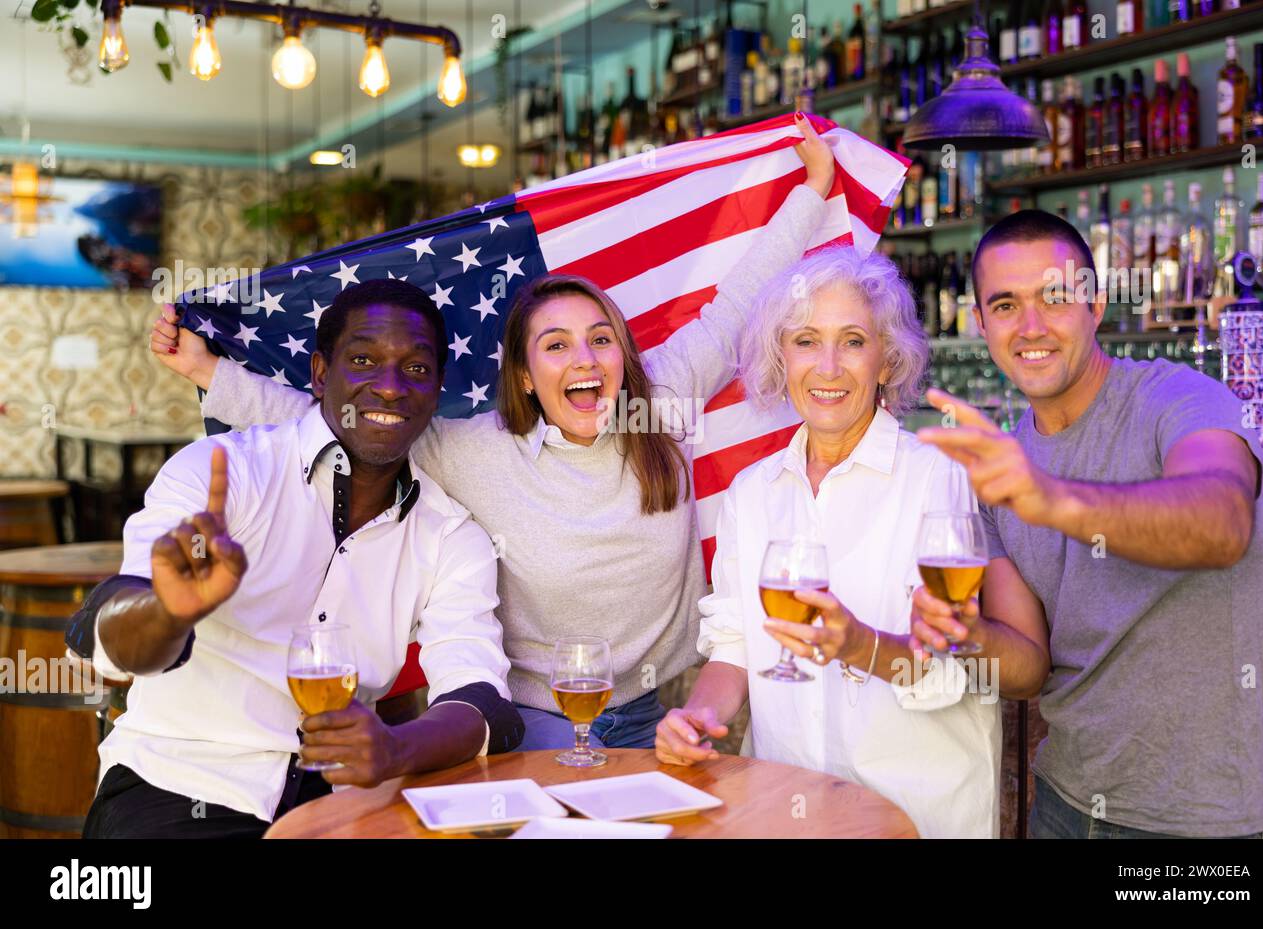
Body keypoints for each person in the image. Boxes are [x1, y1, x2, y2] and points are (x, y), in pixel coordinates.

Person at [147, 115, 837, 751]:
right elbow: (344, 420)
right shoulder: (479, 447)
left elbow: (738, 301)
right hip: (528, 722)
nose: (585, 358)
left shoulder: (659, 397)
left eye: (601, 338)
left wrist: (813, 190)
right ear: (528, 377)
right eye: (557, 345)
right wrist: (209, 369)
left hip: (650, 714)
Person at [69, 279, 521, 838]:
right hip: (175, 787)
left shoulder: (452, 533)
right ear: (320, 374)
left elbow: (485, 704)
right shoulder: (223, 472)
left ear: (436, 390)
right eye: (363, 359)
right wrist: (168, 612)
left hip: (336, 801)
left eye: (416, 369)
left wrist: (395, 748)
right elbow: (107, 635)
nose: (389, 387)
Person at [914, 209, 1263, 838]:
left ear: (1094, 305)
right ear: (980, 322)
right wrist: (962, 634)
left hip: (1208, 825)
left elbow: (1221, 524)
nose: (1031, 326)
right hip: (1066, 804)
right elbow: (1028, 667)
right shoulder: (1000, 473)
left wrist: (1050, 498)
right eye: (1006, 305)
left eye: (1056, 297)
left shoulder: (1180, 398)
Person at [653, 246, 1050, 838]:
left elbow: (987, 668)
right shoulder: (750, 492)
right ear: (779, 357)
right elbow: (735, 643)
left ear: (887, 361)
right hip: (785, 811)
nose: (829, 367)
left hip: (922, 819)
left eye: (854, 341)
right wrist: (697, 717)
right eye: (807, 340)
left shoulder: (943, 477)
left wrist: (861, 646)